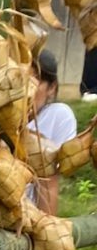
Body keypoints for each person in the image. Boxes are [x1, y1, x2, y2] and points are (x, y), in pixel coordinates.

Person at [28, 50, 78, 215]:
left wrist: (45, 232)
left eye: (36, 79)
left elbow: (49, 181)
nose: (27, 87)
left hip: (27, 221)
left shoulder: (58, 116)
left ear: (52, 88)